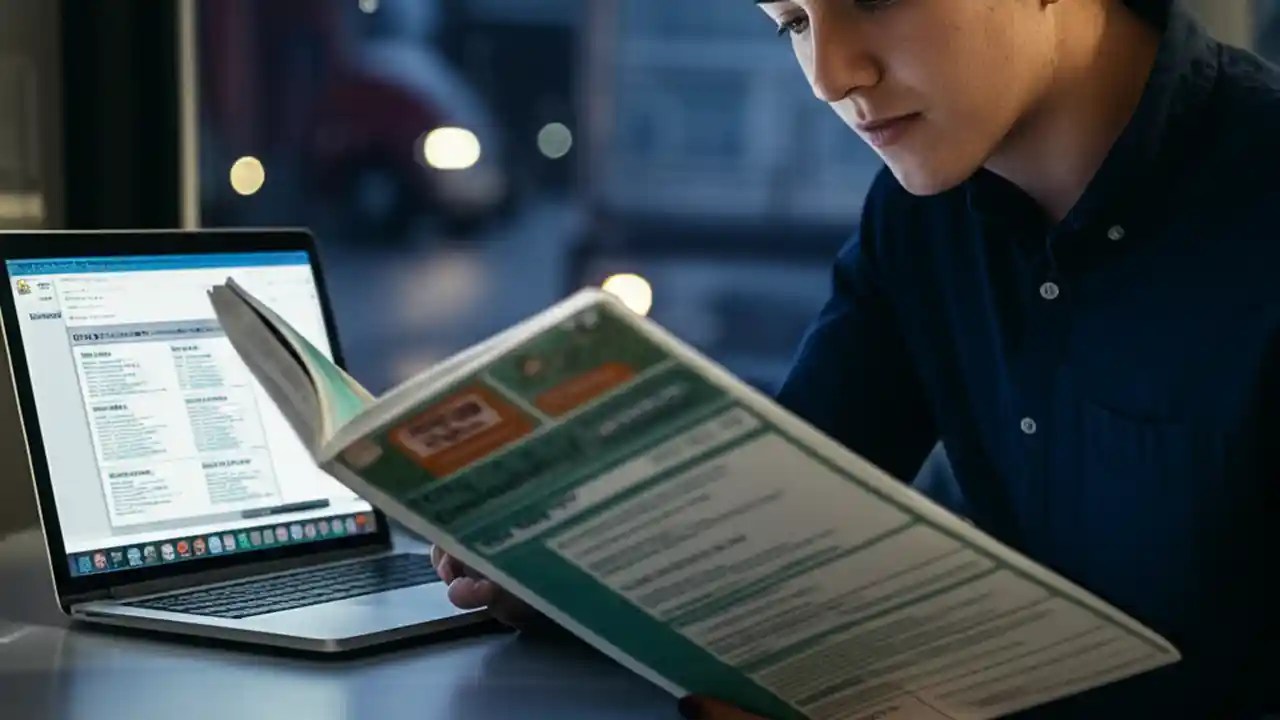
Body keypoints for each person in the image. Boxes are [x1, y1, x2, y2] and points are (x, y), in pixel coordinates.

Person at [433, 0, 1280, 717]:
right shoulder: (922, 219)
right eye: (791, 22)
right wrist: (572, 561)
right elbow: (779, 511)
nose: (830, 76)